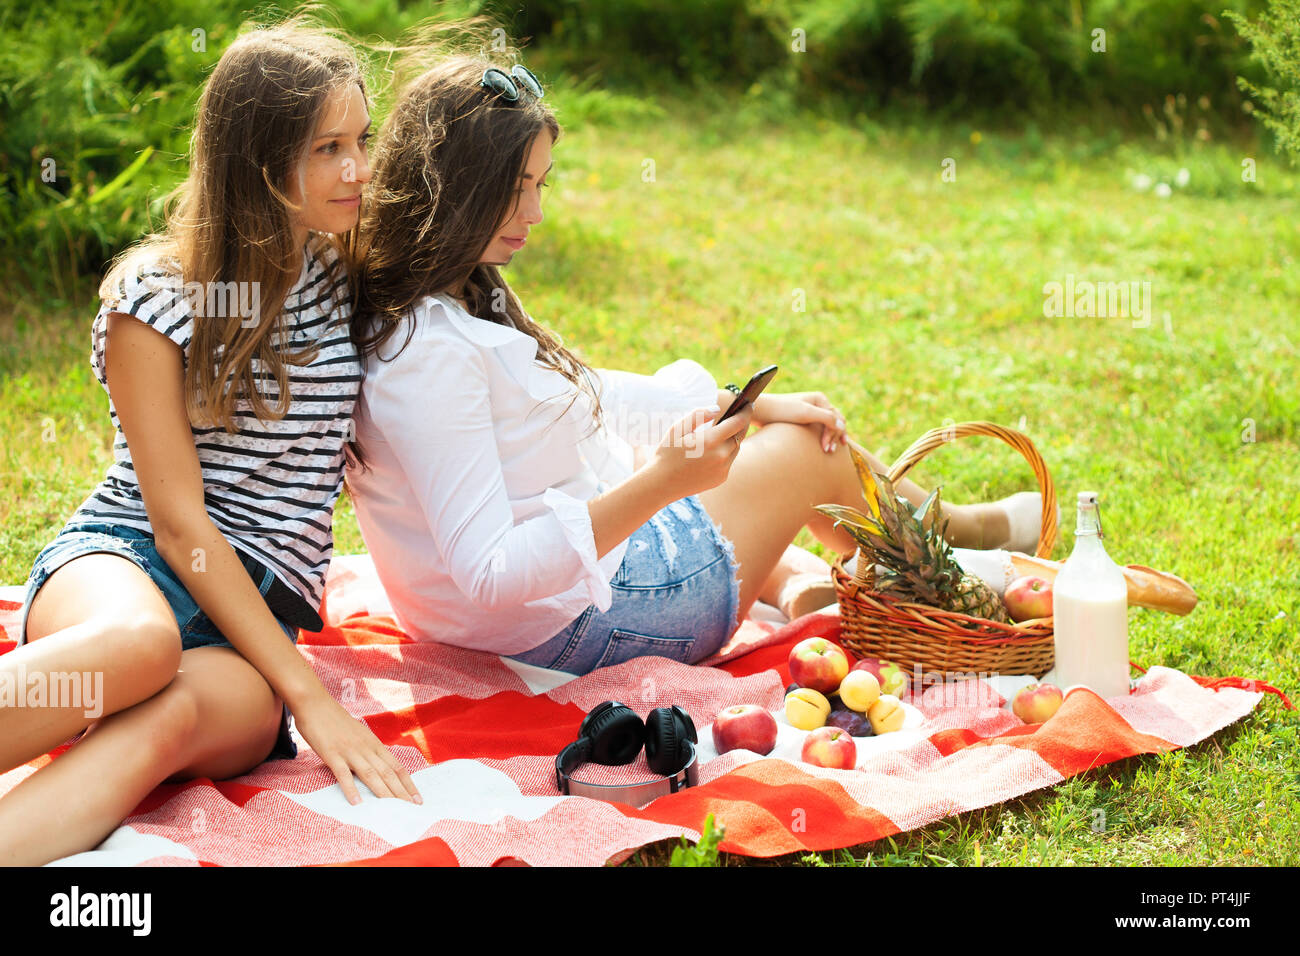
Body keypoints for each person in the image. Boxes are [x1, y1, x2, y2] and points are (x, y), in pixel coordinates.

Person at [344, 52, 1044, 676]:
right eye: (515, 187)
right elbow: (492, 572)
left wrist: (746, 399)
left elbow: (589, 395)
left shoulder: (445, 293)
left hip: (535, 614)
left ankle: (840, 569)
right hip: (580, 621)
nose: (535, 212)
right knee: (810, 452)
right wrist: (662, 484)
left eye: (541, 185)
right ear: (453, 185)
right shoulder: (431, 350)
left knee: (765, 437)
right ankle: (950, 543)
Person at [1, 20, 420, 867]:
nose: (359, 169)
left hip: (257, 628)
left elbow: (483, 281)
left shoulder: (344, 272)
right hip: (128, 564)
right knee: (140, 648)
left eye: (361, 141)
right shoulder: (153, 297)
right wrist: (314, 699)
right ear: (259, 162)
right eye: (328, 148)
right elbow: (178, 527)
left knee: (172, 716)